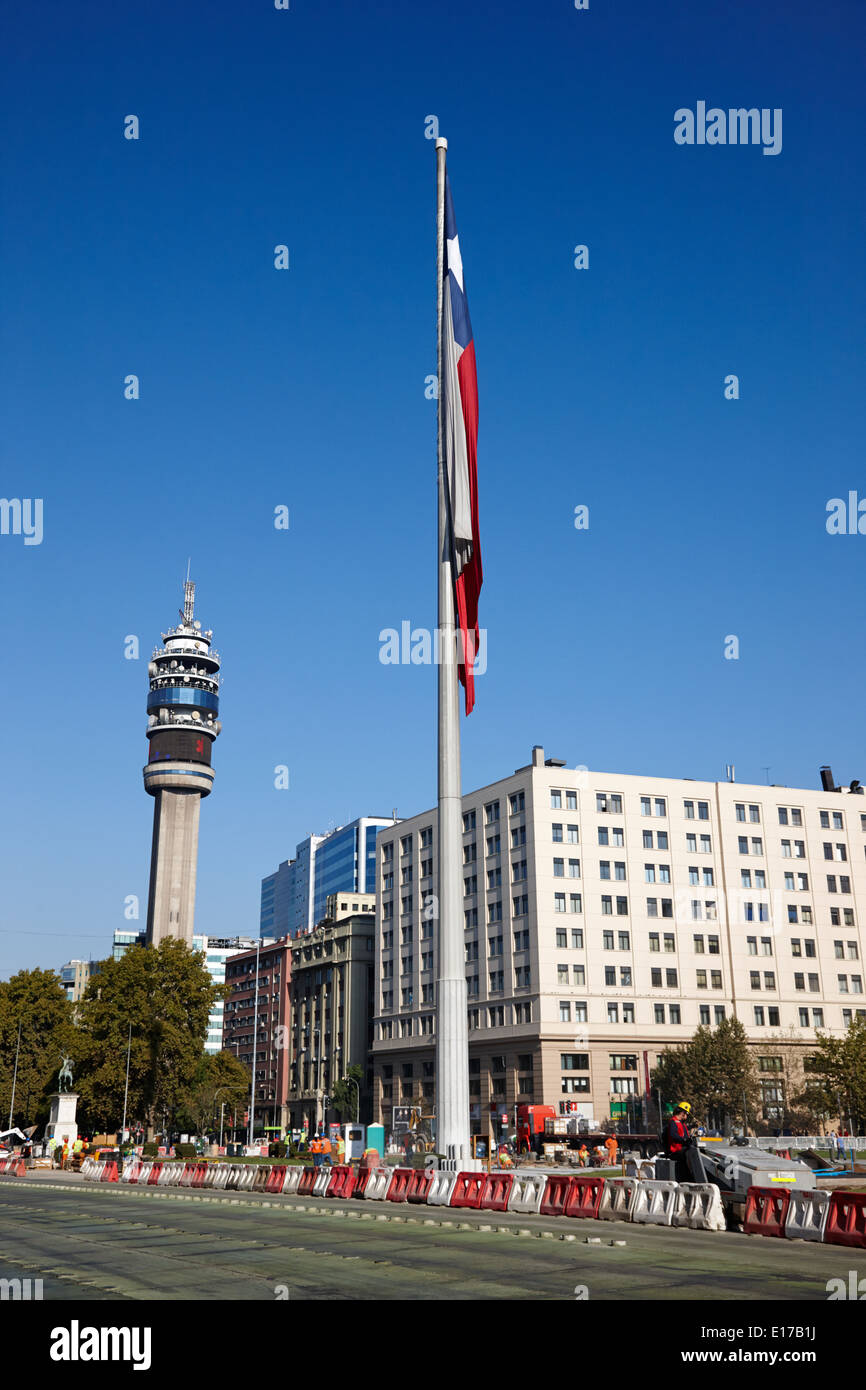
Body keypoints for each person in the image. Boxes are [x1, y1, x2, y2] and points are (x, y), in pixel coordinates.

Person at [663, 1102, 694, 1181]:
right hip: (676, 1150)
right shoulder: (673, 1122)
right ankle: (689, 1176)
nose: (687, 1117)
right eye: (687, 1115)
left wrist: (692, 1127)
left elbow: (684, 1133)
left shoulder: (681, 1123)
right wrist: (684, 1140)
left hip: (681, 1148)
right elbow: (673, 1135)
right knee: (690, 1153)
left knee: (695, 1150)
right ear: (683, 1113)